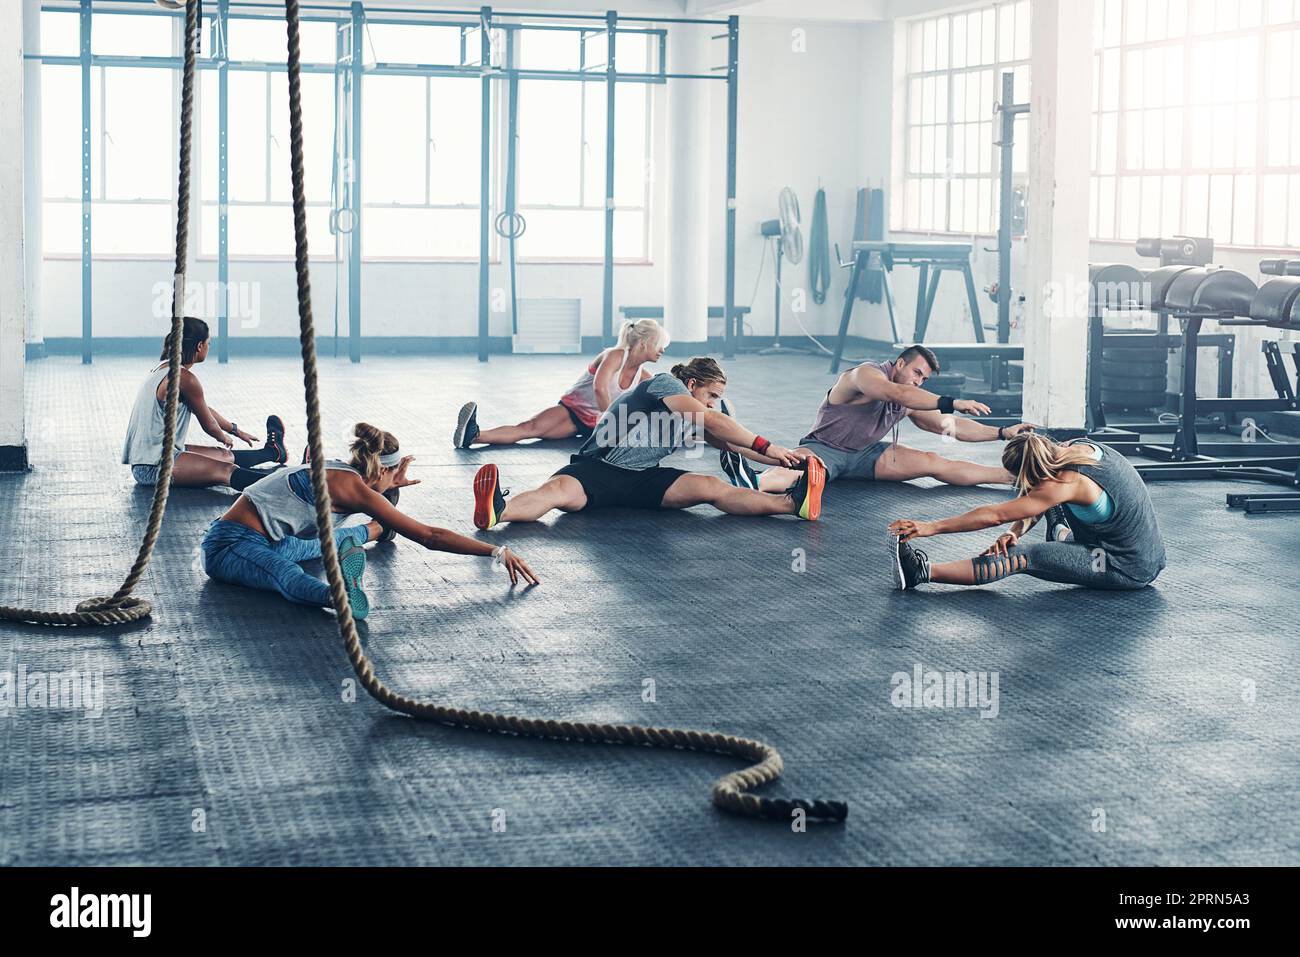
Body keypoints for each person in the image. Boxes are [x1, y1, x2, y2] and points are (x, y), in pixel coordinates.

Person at [202, 423, 540, 619]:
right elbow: (429, 536)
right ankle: (338, 597)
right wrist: (495, 551)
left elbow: (377, 496)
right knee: (285, 574)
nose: (395, 481)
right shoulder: (353, 488)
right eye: (393, 474)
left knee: (319, 545)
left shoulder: (343, 471)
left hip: (271, 538)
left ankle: (372, 532)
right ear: (382, 469)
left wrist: (390, 488)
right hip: (229, 547)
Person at [470, 357, 826, 528]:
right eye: (711, 394)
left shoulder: (692, 414)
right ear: (691, 386)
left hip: (642, 477)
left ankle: (791, 504)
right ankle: (498, 511)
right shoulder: (663, 384)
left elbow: (730, 443)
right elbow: (715, 421)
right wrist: (769, 446)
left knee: (710, 486)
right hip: (598, 470)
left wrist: (787, 460)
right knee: (555, 493)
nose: (713, 403)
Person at [720, 345, 1036, 493]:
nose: (918, 381)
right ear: (898, 363)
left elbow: (945, 425)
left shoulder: (910, 392)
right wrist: (953, 401)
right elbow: (895, 395)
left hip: (868, 454)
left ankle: (1014, 478)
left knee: (932, 460)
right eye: (916, 372)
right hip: (826, 448)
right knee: (804, 471)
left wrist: (1004, 432)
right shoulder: (864, 376)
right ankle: (754, 481)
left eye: (924, 379)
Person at [889, 432, 1167, 591]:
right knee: (1048, 508)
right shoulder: (1073, 449)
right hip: (1133, 549)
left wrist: (931, 527)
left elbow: (995, 513)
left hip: (1122, 565)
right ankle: (1062, 535)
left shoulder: (1065, 484)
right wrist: (1014, 530)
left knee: (1024, 556)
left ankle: (921, 573)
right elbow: (1036, 499)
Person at [122, 317, 288, 490]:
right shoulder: (185, 379)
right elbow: (208, 424)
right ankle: (287, 486)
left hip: (155, 453)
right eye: (208, 343)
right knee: (225, 470)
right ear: (200, 346)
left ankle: (274, 452)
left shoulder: (163, 367)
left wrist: (235, 430)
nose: (209, 347)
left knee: (223, 454)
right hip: (153, 466)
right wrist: (223, 436)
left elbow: (203, 409)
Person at [453, 318, 668, 448]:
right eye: (658, 344)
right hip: (572, 411)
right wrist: (610, 422)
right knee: (529, 429)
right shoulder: (615, 355)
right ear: (644, 343)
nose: (662, 349)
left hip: (591, 424)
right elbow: (599, 388)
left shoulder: (643, 374)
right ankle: (474, 436)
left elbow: (665, 398)